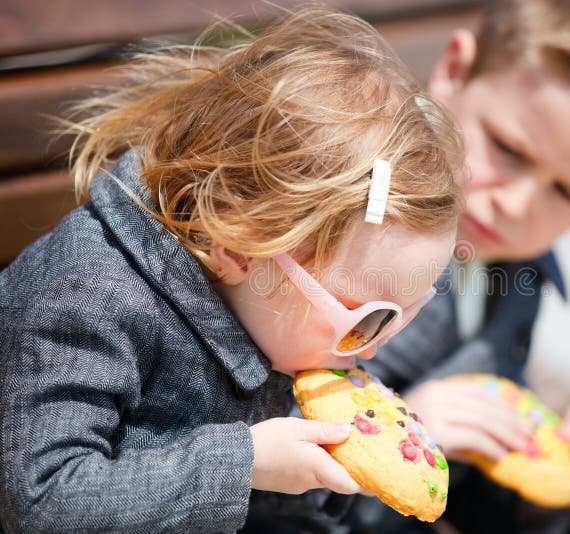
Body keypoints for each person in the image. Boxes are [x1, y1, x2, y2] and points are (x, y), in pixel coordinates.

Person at [0, 7, 464, 533]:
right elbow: (40, 502)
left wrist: (308, 475)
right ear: (239, 244)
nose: (376, 346)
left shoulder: (269, 308)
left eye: (411, 310)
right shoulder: (92, 297)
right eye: (369, 316)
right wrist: (243, 465)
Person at [352, 0, 570, 532]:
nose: (517, 205)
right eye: (509, 149)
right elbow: (239, 445)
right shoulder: (345, 220)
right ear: (454, 70)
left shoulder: (514, 282)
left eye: (564, 191)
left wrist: (548, 494)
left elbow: (466, 490)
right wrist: (404, 436)